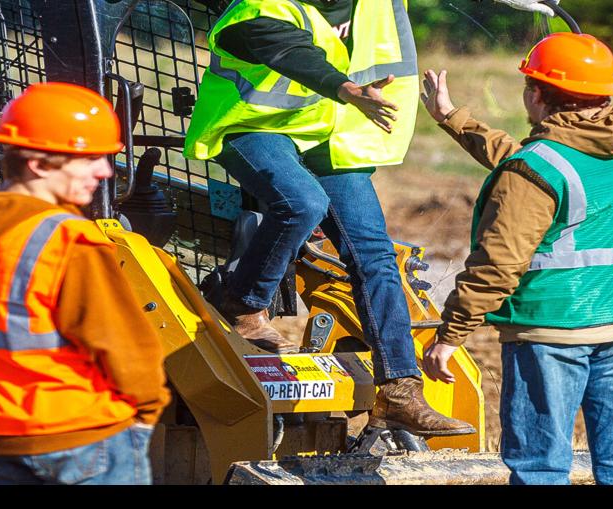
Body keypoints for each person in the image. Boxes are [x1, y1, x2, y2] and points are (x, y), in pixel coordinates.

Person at [184, 0, 472, 437]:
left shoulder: (374, 8)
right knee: (301, 202)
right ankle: (243, 302)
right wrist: (349, 90)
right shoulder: (258, 10)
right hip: (249, 127)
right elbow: (288, 52)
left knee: (375, 254)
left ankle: (399, 391)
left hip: (324, 135)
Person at [420, 33, 613, 484]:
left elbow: (497, 264)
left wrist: (451, 336)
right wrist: (454, 119)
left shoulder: (537, 168)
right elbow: (528, 163)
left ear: (536, 94)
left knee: (540, 468)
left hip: (553, 328)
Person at [0, 82, 171, 485]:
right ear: (39, 162)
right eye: (89, 159)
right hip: (83, 436)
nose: (105, 171)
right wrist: (145, 410)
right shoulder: (69, 240)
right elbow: (124, 345)